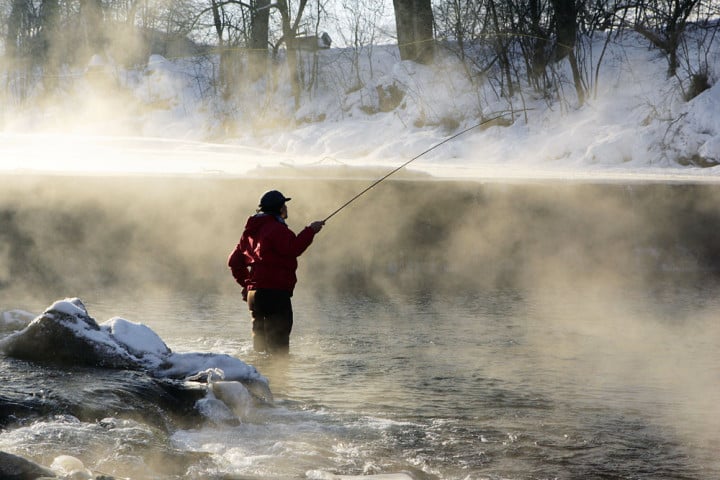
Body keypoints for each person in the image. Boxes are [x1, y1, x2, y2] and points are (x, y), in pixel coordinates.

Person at [228, 190, 324, 354]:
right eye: (284, 205)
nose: (286, 208)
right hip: (275, 295)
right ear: (279, 208)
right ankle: (279, 378)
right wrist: (310, 231)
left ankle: (259, 377)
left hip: (255, 296)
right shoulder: (276, 229)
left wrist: (247, 285)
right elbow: (293, 248)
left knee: (260, 347)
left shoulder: (249, 232)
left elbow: (234, 262)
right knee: (279, 350)